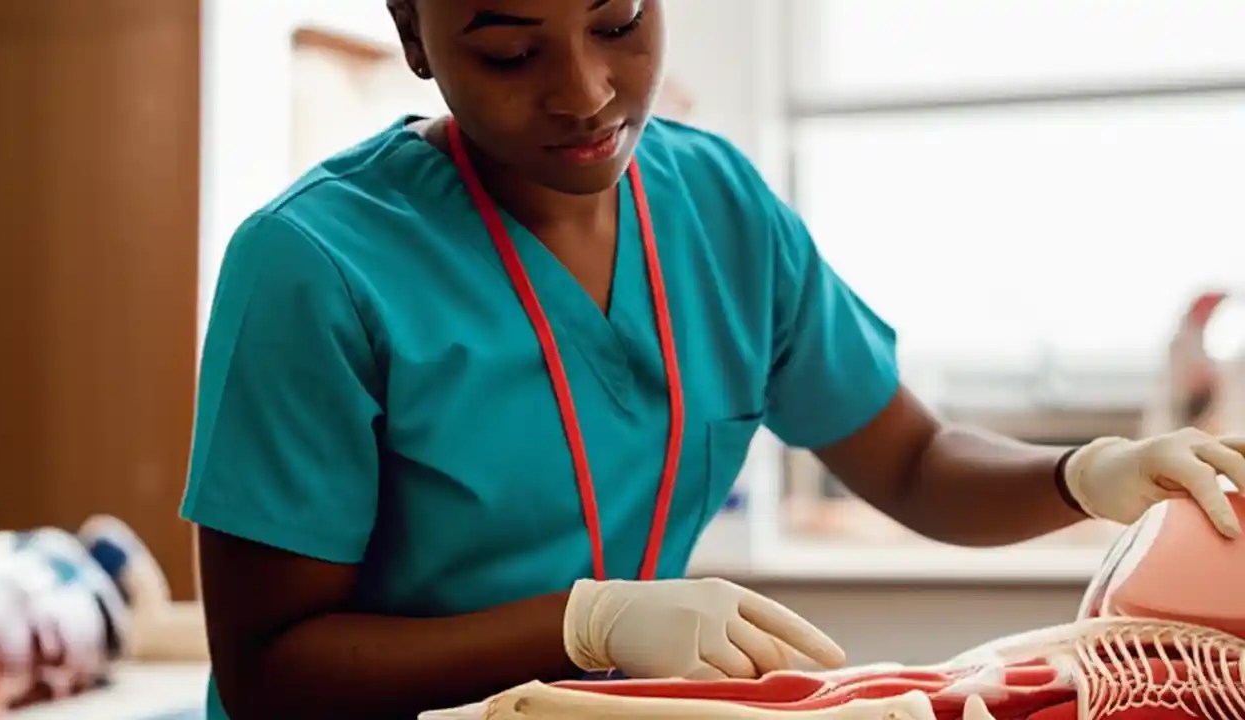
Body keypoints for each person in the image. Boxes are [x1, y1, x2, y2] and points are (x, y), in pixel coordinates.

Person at [179, 1, 1245, 718]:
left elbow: (912, 464)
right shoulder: (312, 264)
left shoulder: (718, 207)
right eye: (509, 51)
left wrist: (1082, 475)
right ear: (413, 33)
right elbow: (271, 669)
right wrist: (581, 622)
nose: (586, 90)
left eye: (618, 20)